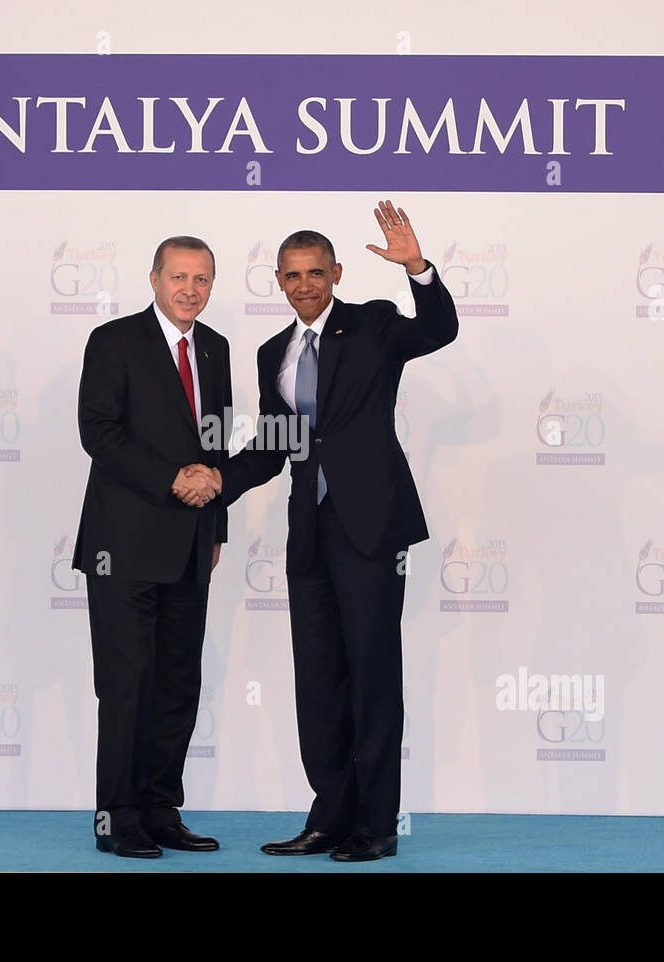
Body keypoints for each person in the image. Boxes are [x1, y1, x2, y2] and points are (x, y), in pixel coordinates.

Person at [184, 201, 457, 861]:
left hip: (369, 526)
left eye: (315, 271)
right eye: (291, 275)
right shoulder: (273, 351)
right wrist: (221, 477)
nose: (304, 284)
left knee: (371, 678)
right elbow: (276, 444)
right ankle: (330, 817)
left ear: (335, 272)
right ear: (278, 280)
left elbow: (440, 329)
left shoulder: (374, 324)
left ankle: (375, 826)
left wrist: (417, 267)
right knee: (320, 682)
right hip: (308, 531)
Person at [73, 236, 230, 858]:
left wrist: (215, 526)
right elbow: (99, 432)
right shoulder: (113, 342)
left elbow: (214, 444)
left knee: (176, 685)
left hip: (192, 544)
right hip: (124, 546)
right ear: (154, 279)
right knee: (126, 684)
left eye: (202, 279)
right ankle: (118, 816)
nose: (190, 289)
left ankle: (162, 810)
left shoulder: (215, 348)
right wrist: (171, 480)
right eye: (179, 277)